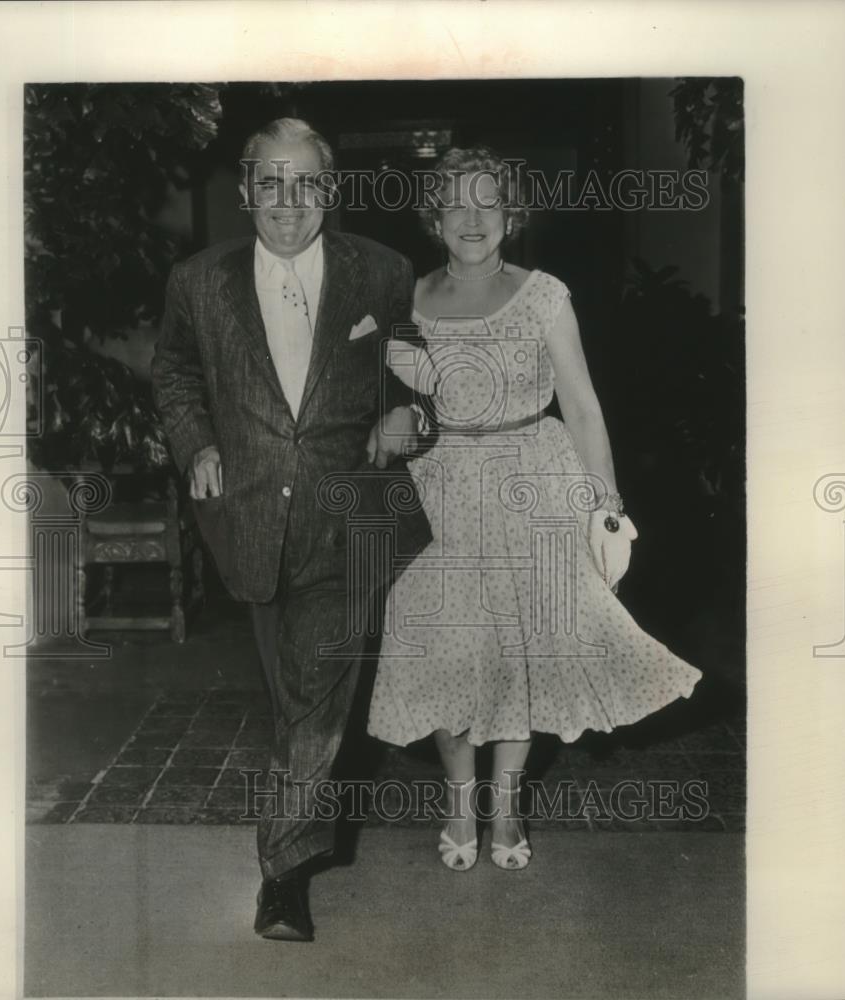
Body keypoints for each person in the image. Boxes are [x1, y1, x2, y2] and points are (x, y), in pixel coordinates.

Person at [367, 147, 702, 871]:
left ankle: (507, 804)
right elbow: (385, 395)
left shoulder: (545, 294)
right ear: (434, 217)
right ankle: (461, 799)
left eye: (489, 203)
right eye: (456, 203)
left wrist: (606, 508)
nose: (473, 218)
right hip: (445, 485)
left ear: (513, 216)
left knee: (522, 647)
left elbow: (582, 408)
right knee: (445, 640)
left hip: (537, 481)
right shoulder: (407, 297)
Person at [152, 118, 431, 940]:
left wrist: (407, 417)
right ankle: (303, 826)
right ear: (245, 192)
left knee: (315, 699)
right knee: (292, 697)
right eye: (269, 183)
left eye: (304, 183)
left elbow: (417, 377)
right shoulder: (197, 282)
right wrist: (196, 443)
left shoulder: (380, 273)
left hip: (347, 519)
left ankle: (283, 875)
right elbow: (172, 372)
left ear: (329, 191)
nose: (287, 202)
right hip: (247, 520)